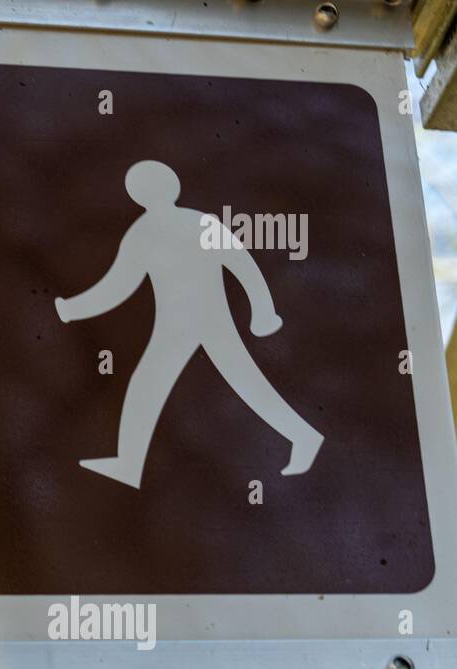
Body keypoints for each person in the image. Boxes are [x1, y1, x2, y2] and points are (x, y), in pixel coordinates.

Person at [55, 160, 322, 489]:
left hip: (197, 323)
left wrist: (71, 309)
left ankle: (304, 437)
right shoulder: (182, 225)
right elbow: (243, 265)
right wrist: (263, 311)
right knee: (162, 385)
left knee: (236, 385)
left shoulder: (152, 231)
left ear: (137, 193)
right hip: (183, 325)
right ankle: (128, 463)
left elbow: (118, 287)